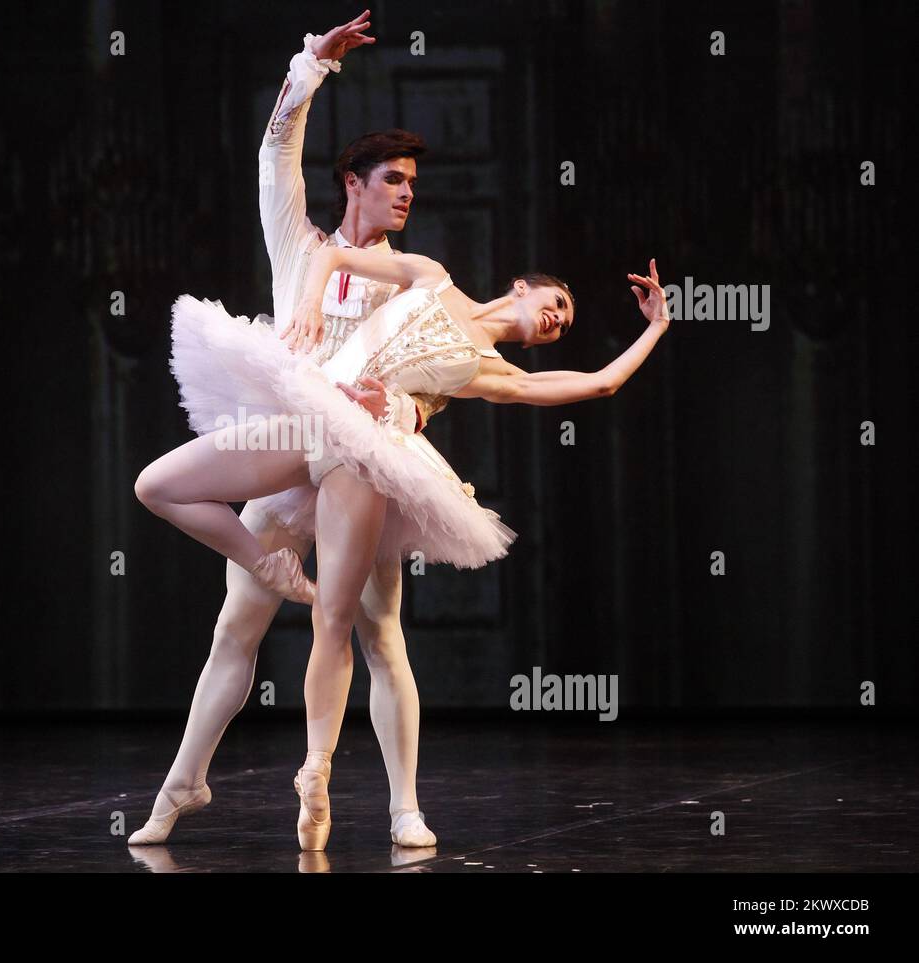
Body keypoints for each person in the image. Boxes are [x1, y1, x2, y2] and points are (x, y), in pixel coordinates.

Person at [137, 238, 674, 849]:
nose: (557, 319)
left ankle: (320, 774)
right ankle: (268, 567)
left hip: (362, 456)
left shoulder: (496, 372)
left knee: (347, 624)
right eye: (557, 302)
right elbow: (331, 257)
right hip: (311, 412)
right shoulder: (431, 275)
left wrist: (655, 327)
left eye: (563, 326)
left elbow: (600, 384)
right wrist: (310, 305)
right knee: (157, 485)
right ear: (523, 286)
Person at [128, 10, 449, 849]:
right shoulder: (302, 247)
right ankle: (179, 787)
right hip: (288, 451)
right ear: (356, 183)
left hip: (362, 463)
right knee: (236, 626)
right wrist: (310, 68)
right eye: (394, 180)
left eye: (413, 183)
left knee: (380, 633)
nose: (407, 193)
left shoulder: (412, 280)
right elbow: (276, 156)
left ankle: (403, 805)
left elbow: (445, 373)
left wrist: (413, 409)